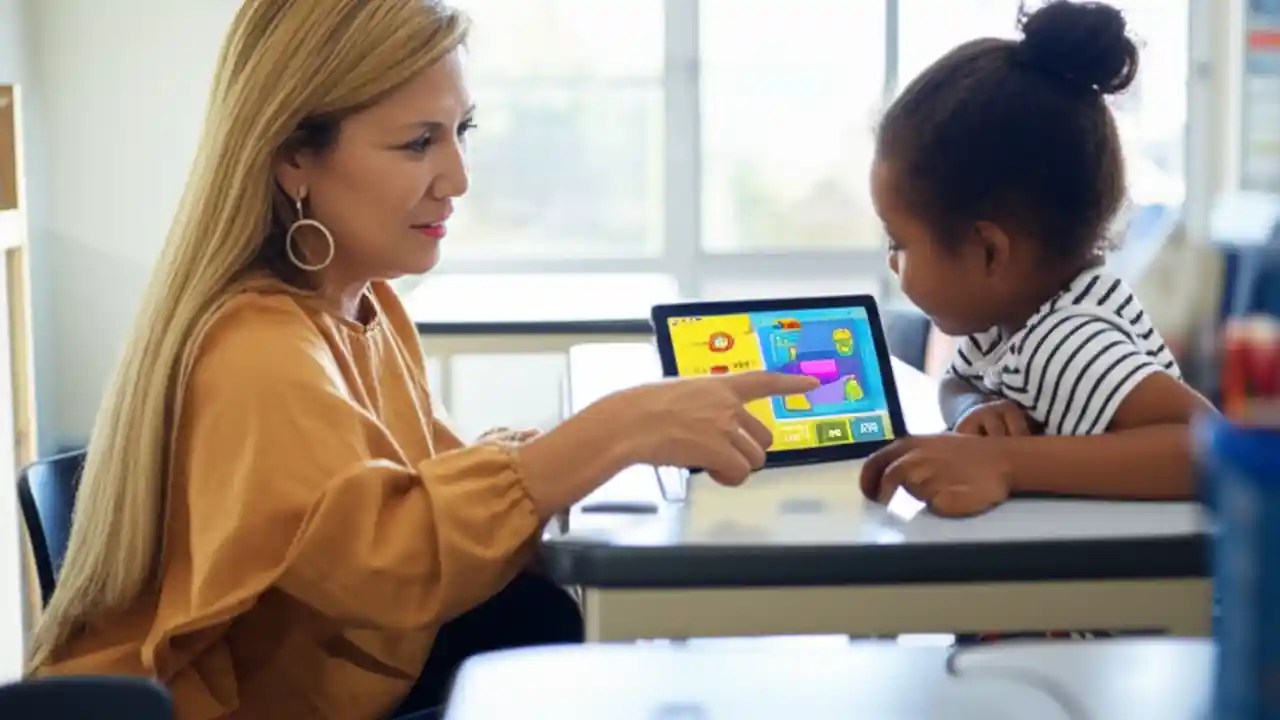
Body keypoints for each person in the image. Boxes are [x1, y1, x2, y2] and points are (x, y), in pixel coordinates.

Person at [25, 1, 817, 718]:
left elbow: (429, 487)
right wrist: (615, 431)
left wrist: (601, 443)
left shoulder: (364, 305)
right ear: (293, 157)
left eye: (461, 131)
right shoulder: (257, 350)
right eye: (417, 143)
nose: (458, 179)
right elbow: (383, 566)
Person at [859, 0, 1216, 518]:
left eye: (899, 242)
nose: (894, 263)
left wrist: (1005, 462)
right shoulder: (1014, 322)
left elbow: (1208, 448)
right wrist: (974, 409)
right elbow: (957, 381)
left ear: (988, 251)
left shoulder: (1066, 341)